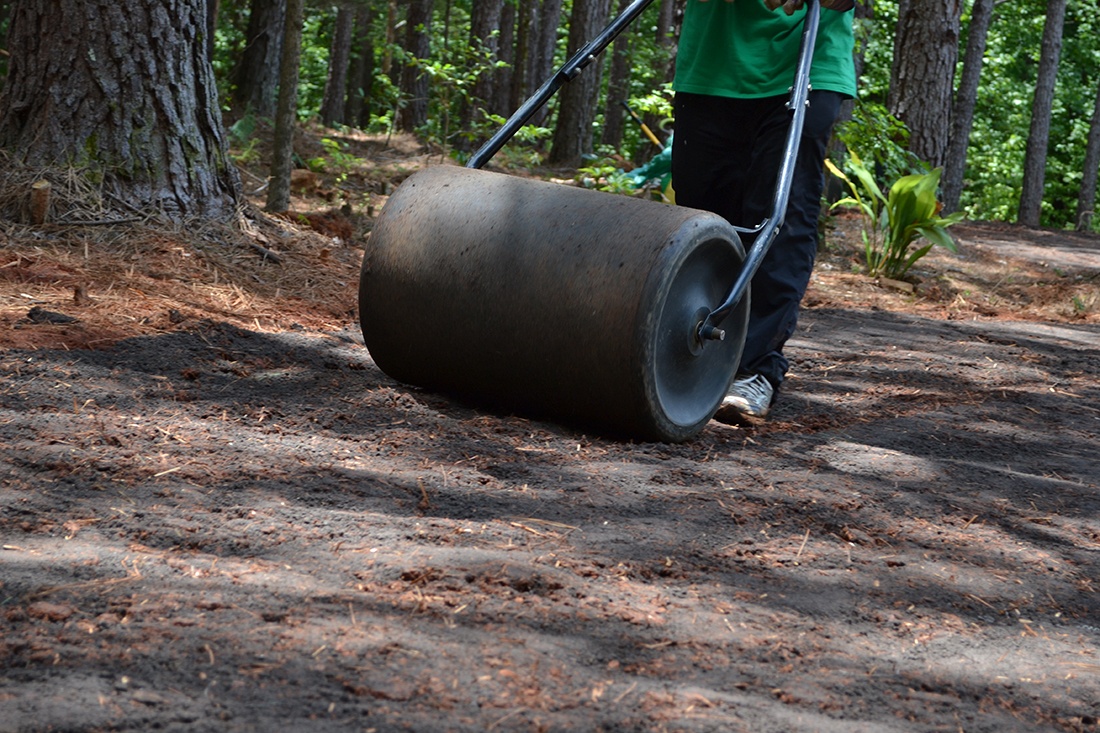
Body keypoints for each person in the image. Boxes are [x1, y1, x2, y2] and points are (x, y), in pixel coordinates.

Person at [671, 0, 857, 420]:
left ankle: (754, 369)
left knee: (779, 218)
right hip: (713, 64)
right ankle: (694, 349)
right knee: (703, 220)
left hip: (806, 62)